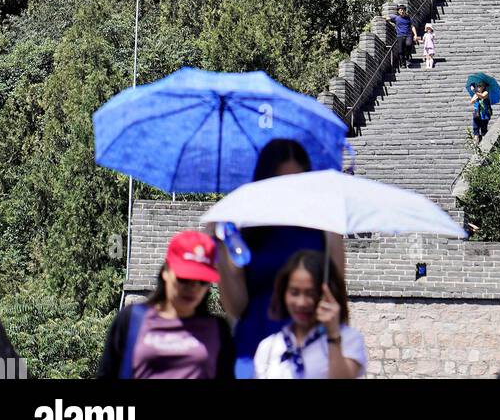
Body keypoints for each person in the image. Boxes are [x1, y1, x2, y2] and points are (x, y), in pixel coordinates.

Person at [218, 139, 346, 380]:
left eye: (296, 183)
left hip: (308, 342)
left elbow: (337, 288)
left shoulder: (322, 224)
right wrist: (226, 262)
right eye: (279, 183)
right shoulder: (245, 227)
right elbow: (236, 307)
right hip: (253, 341)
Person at [98, 230, 235, 380]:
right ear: (166, 271)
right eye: (184, 278)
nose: (193, 287)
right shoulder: (131, 320)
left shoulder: (217, 329)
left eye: (202, 281)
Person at [254, 250, 365, 380]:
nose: (301, 303)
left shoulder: (348, 339)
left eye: (310, 294)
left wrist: (333, 336)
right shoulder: (269, 346)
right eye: (294, 293)